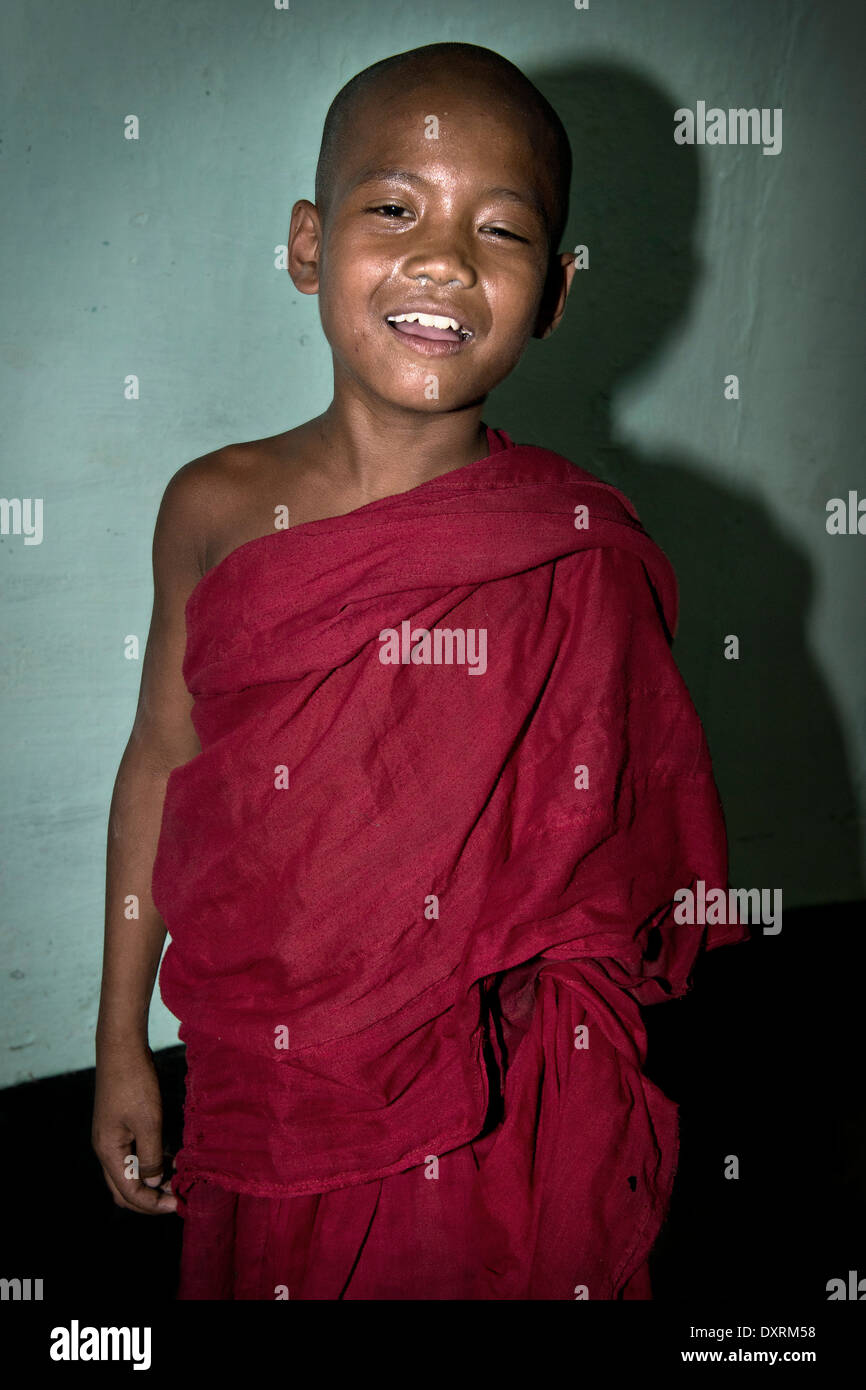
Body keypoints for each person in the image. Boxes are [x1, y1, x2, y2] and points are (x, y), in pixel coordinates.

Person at [93, 41, 748, 1300]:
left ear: (553, 292)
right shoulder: (213, 507)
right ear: (304, 243)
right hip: (265, 1067)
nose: (441, 257)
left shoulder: (573, 550)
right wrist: (121, 1036)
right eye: (392, 207)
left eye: (497, 231)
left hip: (489, 1101)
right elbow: (162, 759)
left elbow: (616, 865)